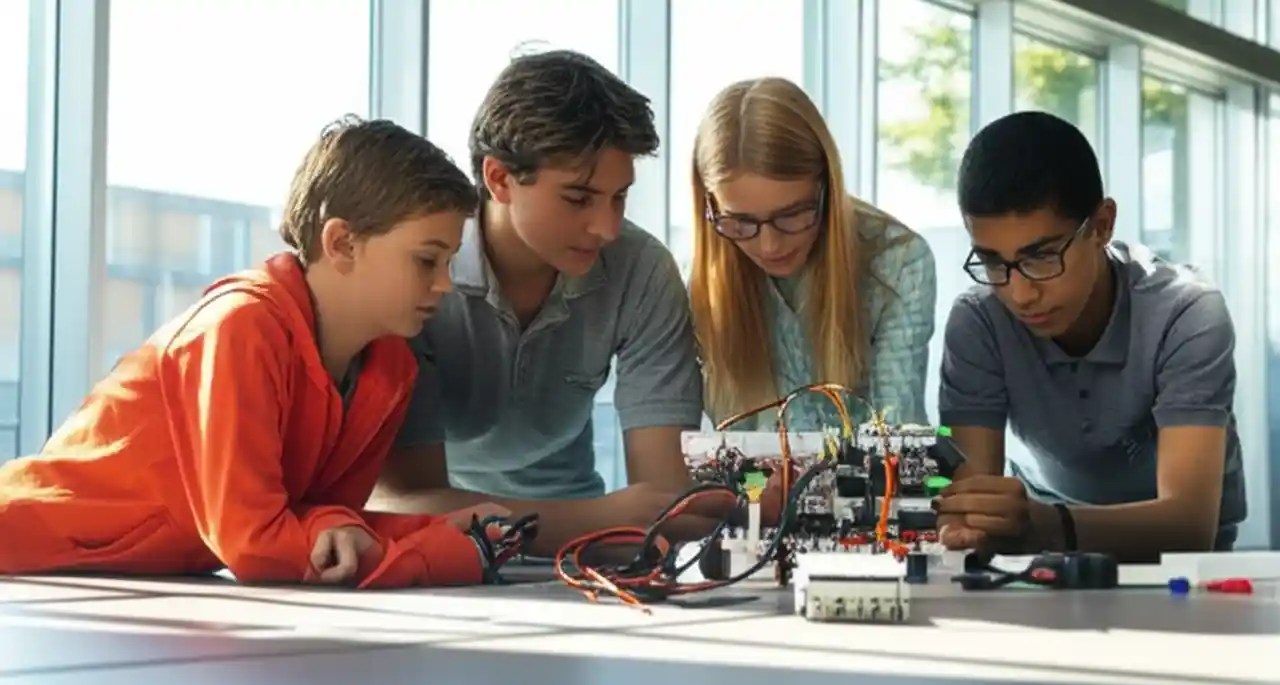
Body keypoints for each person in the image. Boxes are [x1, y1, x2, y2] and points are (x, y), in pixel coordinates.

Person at [0, 116, 518, 588]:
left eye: (449, 262)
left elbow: (320, 524)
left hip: (125, 586)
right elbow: (255, 545)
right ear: (341, 244)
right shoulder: (239, 327)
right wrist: (446, 552)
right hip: (25, 556)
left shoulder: (391, 369)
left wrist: (442, 526)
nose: (445, 285)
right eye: (427, 260)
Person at [375, 49, 731, 554]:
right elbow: (401, 504)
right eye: (578, 198)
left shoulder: (642, 270)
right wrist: (600, 519)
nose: (607, 228)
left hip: (585, 546)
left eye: (619, 197)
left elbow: (663, 504)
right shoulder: (424, 264)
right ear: (499, 179)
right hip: (445, 551)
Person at [935, 110, 1245, 560]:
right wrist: (972, 525)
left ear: (1101, 225)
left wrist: (1049, 525)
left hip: (1177, 573)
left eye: (1041, 257)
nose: (1020, 293)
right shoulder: (978, 320)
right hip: (1043, 556)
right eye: (993, 263)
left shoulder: (1187, 312)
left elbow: (1190, 526)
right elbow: (968, 516)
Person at [688, 77, 936, 431]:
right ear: (709, 207)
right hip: (756, 486)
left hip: (870, 486)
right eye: (741, 222)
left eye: (792, 215)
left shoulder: (898, 265)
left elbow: (894, 430)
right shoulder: (701, 286)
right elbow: (731, 447)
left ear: (828, 189)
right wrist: (758, 487)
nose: (770, 246)